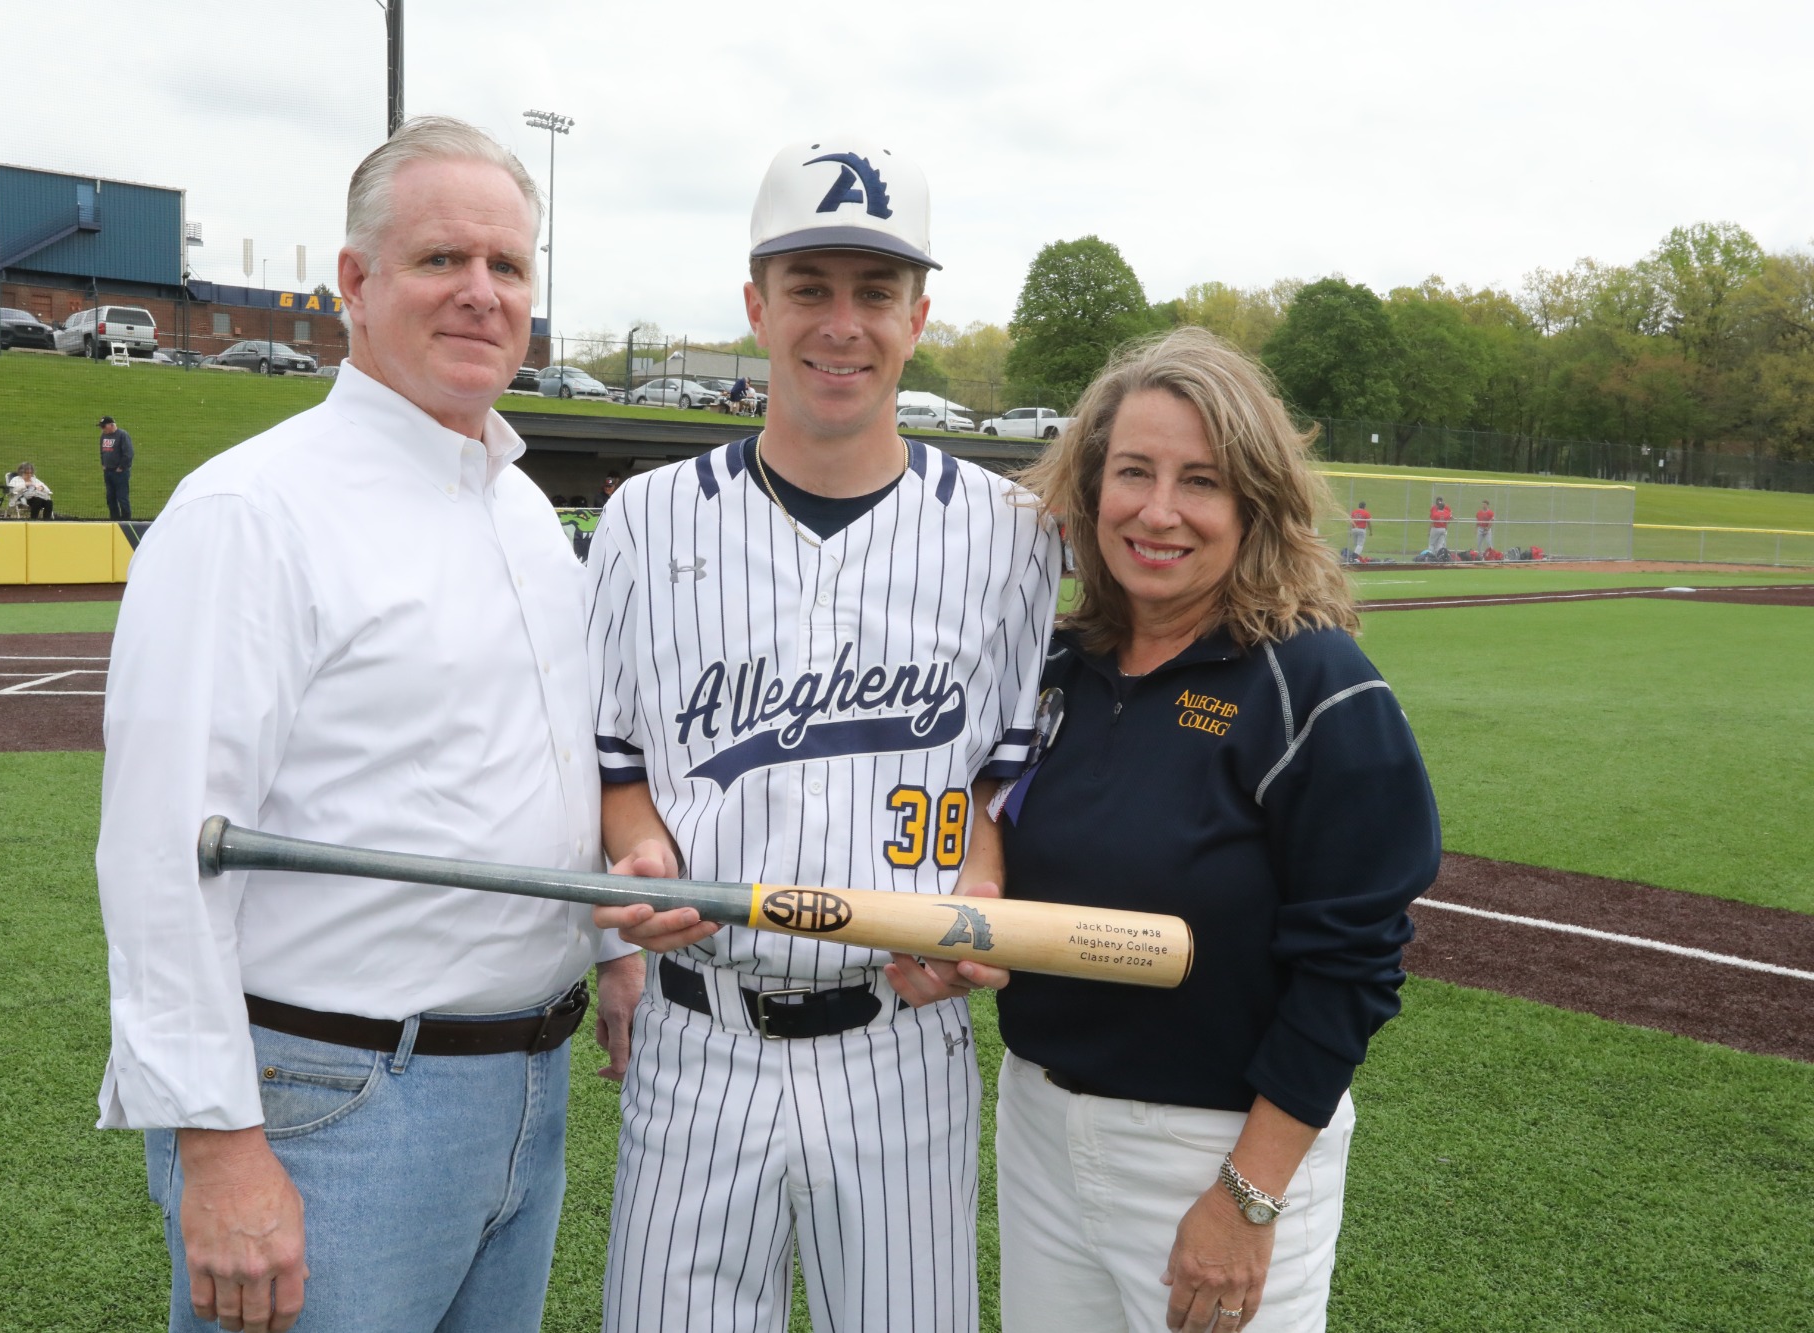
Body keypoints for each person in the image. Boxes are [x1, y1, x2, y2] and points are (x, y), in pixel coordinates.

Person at [96, 115, 643, 1333]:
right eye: (441, 259)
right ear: (355, 280)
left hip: (525, 1089)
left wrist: (608, 950)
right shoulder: (253, 509)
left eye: (507, 267)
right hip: (329, 1102)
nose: (480, 294)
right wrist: (220, 1146)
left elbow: (544, 772)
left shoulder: (517, 511)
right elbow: (158, 852)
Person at [587, 136, 1061, 1332]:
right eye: (808, 288)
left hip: (899, 1037)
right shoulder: (646, 520)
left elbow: (1006, 767)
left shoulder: (1006, 532)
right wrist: (638, 854)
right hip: (699, 1031)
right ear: (756, 305)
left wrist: (977, 878)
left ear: (917, 316)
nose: (839, 324)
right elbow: (611, 759)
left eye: (873, 291)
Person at [991, 328, 1438, 1333]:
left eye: (1199, 481)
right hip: (1037, 1125)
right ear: (1090, 487)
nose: (1157, 511)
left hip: (1218, 1151)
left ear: (1252, 505)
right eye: (1132, 472)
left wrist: (1244, 1196)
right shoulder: (1054, 666)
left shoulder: (1318, 686)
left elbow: (1352, 969)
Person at [99, 415, 134, 520]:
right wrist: (103, 464)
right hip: (108, 472)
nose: (102, 429)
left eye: (104, 426)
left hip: (120, 473)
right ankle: (114, 520)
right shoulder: (103, 436)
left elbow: (129, 453)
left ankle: (126, 521)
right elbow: (102, 451)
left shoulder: (122, 435)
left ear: (111, 425)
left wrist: (121, 467)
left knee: (122, 498)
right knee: (110, 498)